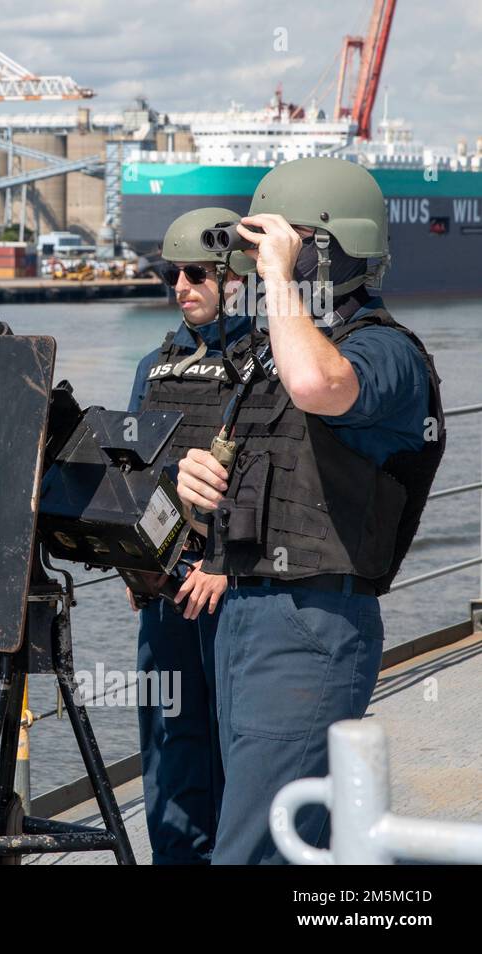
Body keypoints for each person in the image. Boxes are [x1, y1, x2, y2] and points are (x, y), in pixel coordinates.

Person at [174, 157, 445, 864]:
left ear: (322, 248)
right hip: (244, 617)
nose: (259, 264)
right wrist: (196, 484)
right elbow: (266, 471)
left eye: (281, 245)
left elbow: (318, 383)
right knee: (280, 838)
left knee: (256, 851)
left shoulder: (387, 353)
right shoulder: (265, 359)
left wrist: (274, 277)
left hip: (311, 623)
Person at [127, 207, 252, 863]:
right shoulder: (155, 365)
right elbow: (134, 475)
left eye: (198, 273)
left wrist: (228, 564)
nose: (182, 285)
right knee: (171, 751)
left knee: (241, 750)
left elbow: (277, 483)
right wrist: (135, 565)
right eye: (173, 273)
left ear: (236, 278)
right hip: (167, 592)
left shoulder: (267, 364)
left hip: (238, 593)